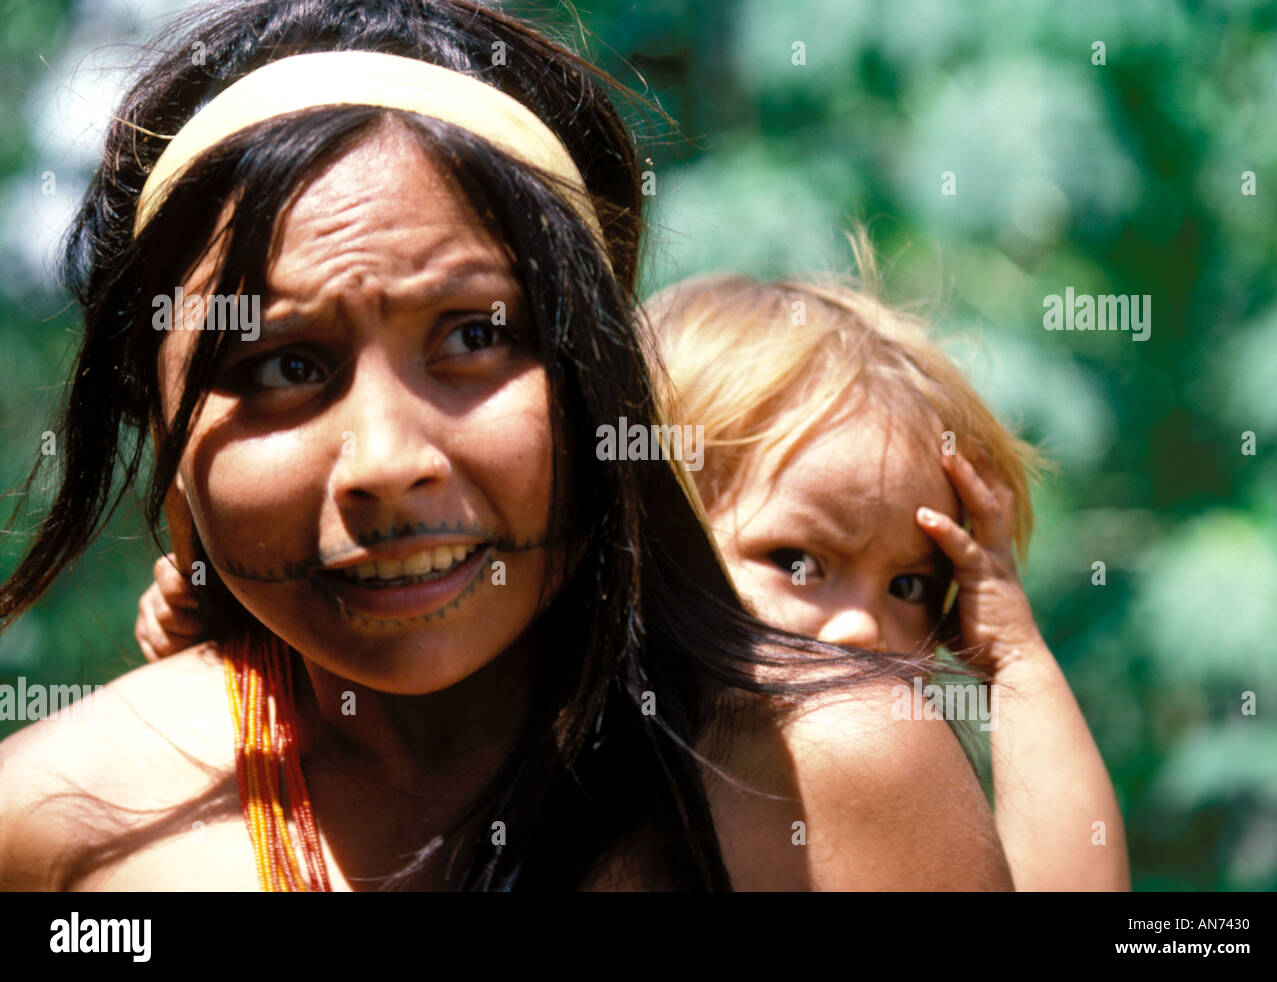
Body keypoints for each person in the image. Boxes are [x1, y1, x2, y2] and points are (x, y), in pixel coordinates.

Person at [0, 0, 1010, 891]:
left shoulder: (836, 778)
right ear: (164, 435)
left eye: (477, 337)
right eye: (280, 366)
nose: (388, 460)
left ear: (602, 376)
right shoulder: (50, 826)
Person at [642, 245, 1130, 890]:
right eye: (797, 562)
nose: (863, 630)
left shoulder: (886, 789)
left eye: (910, 587)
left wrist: (1015, 656)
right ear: (646, 535)